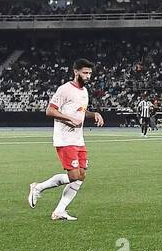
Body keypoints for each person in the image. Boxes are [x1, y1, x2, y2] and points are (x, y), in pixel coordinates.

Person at [27, 59, 105, 221]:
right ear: (76, 72)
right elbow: (50, 111)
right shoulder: (65, 89)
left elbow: (81, 112)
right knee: (74, 175)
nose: (88, 76)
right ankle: (38, 187)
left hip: (78, 139)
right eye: (85, 72)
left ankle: (59, 211)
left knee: (81, 175)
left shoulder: (84, 91)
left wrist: (94, 114)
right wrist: (69, 119)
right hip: (64, 139)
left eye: (90, 73)